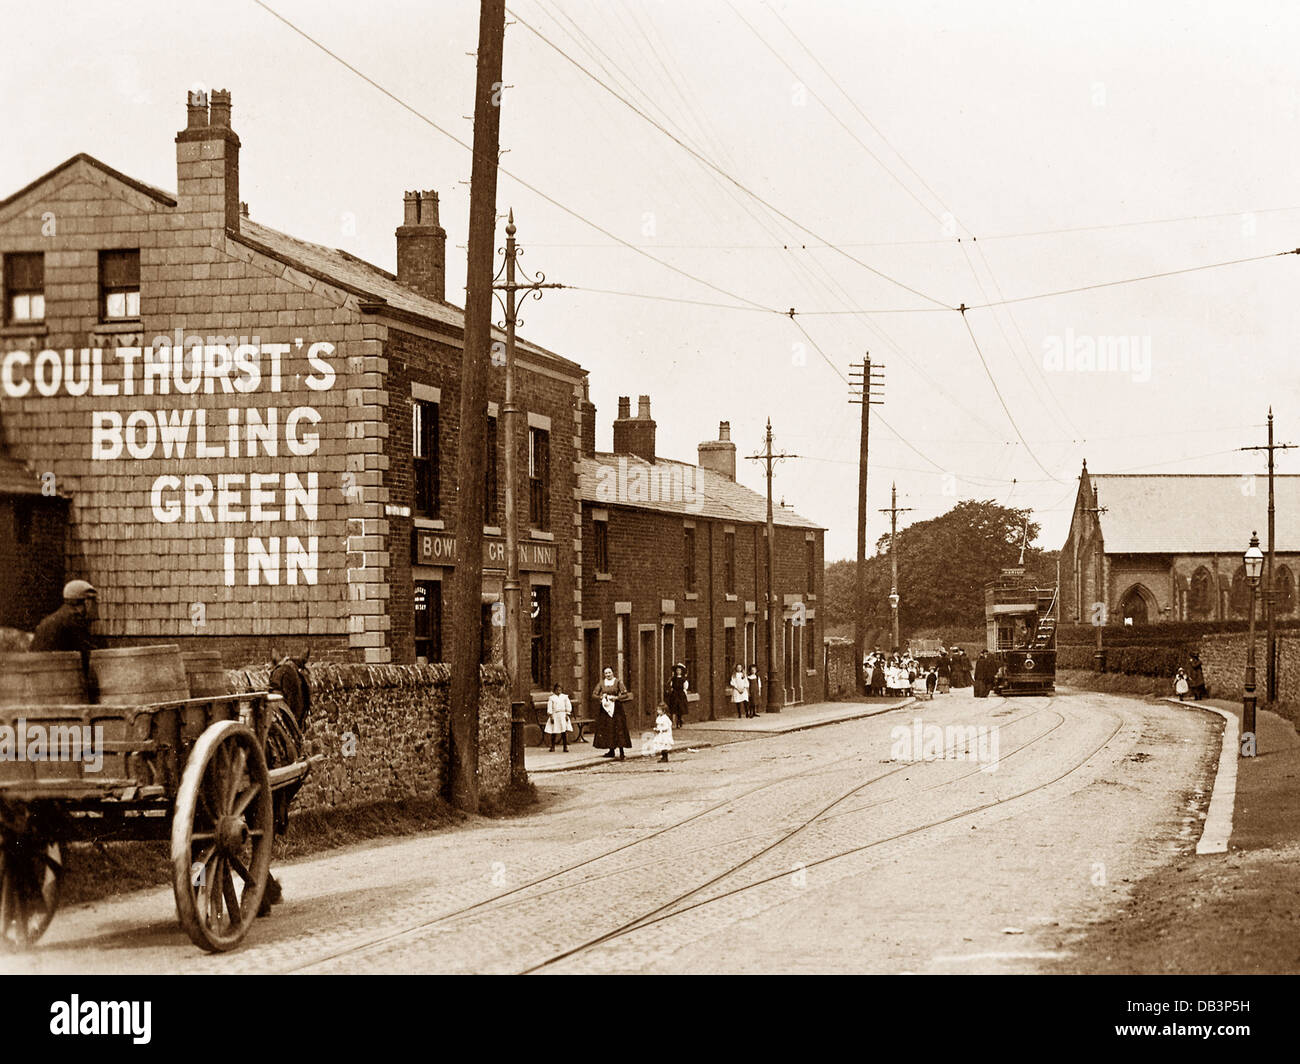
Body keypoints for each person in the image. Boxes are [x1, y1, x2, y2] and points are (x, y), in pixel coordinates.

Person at [30, 580, 100, 700]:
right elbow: (89, 653)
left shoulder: (56, 618)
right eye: (93, 601)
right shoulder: (73, 620)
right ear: (85, 602)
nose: (95, 605)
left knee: (23, 718)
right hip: (57, 686)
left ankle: (23, 720)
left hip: (38, 682)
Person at [592, 667, 632, 760]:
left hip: (617, 708)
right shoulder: (601, 683)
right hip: (606, 708)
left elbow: (625, 694)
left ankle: (622, 752)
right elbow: (594, 694)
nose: (608, 675)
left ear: (613, 673)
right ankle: (611, 750)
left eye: (609, 672)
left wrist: (617, 698)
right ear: (604, 674)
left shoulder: (618, 682)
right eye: (606, 673)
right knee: (608, 728)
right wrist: (601, 697)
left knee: (619, 727)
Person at [545, 683, 573, 752]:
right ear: (554, 690)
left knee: (564, 731)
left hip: (563, 715)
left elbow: (568, 706)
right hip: (555, 715)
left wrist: (567, 714)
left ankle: (565, 746)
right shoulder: (552, 698)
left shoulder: (565, 697)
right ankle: (552, 746)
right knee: (554, 731)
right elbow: (550, 707)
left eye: (560, 690)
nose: (558, 691)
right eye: (557, 690)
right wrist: (551, 716)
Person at [665, 663, 690, 728]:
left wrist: (684, 693)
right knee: (674, 707)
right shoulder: (673, 679)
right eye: (677, 670)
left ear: (681, 671)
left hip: (681, 694)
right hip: (675, 694)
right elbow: (671, 685)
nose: (678, 671)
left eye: (679, 670)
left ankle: (679, 720)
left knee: (680, 708)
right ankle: (676, 722)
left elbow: (685, 687)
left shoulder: (683, 679)